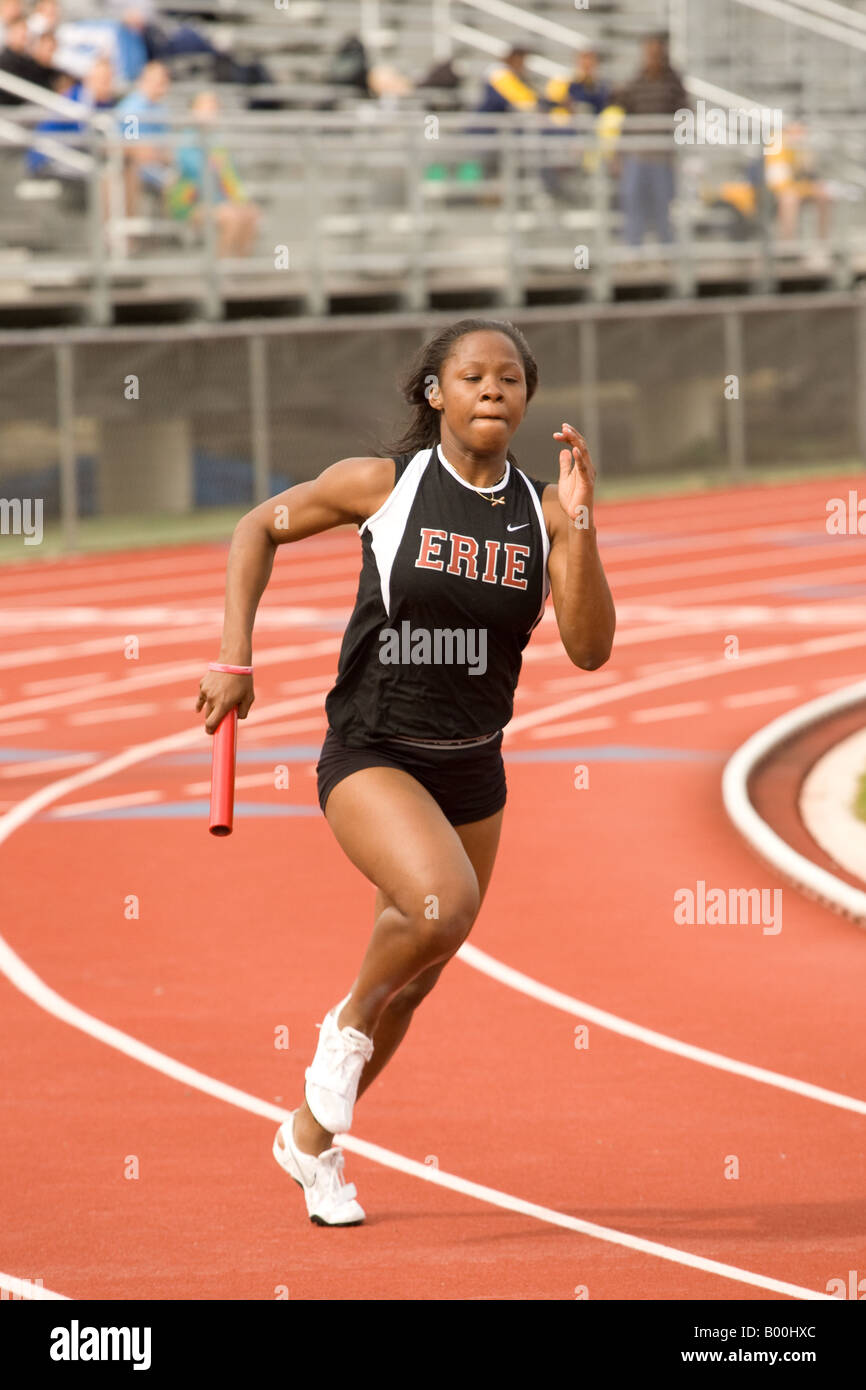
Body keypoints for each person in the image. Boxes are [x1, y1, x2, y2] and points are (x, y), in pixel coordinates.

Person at [195, 318, 616, 1226]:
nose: (493, 389)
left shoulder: (544, 511)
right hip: (374, 750)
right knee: (441, 905)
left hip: (474, 766)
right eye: (472, 376)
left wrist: (579, 526)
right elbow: (252, 531)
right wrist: (235, 658)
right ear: (437, 394)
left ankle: (309, 1140)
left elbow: (588, 650)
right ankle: (342, 1031)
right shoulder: (384, 486)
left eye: (510, 377)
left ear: (528, 399)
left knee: (419, 976)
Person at [614, 32, 689, 248]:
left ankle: (667, 252)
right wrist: (619, 154)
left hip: (661, 156)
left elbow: (684, 115)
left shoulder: (673, 83)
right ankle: (633, 250)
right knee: (633, 202)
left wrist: (676, 148)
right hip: (636, 156)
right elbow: (624, 118)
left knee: (661, 205)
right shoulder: (636, 81)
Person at [168, 90, 259, 257]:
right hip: (190, 204)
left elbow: (230, 177)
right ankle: (219, 271)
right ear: (193, 111)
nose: (210, 111)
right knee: (231, 216)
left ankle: (239, 265)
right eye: (205, 106)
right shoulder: (186, 141)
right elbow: (198, 174)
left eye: (213, 107)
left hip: (217, 201)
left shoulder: (217, 142)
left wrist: (240, 200)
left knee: (249, 212)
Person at [115, 59, 172, 218]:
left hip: (158, 168)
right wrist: (155, 154)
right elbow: (131, 147)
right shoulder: (131, 109)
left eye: (164, 81)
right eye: (159, 81)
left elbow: (166, 148)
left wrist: (159, 154)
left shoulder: (161, 108)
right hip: (134, 170)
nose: (163, 86)